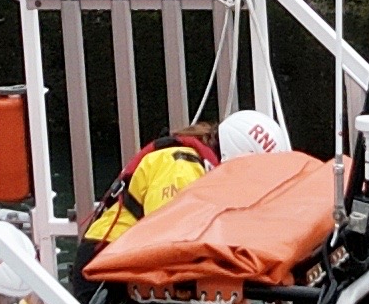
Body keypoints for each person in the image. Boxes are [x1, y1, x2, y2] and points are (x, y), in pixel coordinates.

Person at [84, 107, 284, 255]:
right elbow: (169, 236)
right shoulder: (180, 167)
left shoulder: (203, 171)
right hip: (108, 261)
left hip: (130, 260)